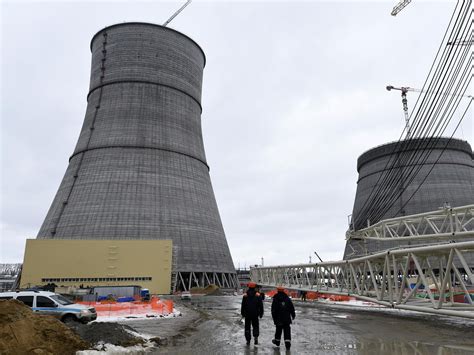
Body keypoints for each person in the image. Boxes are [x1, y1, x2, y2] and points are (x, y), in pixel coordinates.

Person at [271, 286, 295, 350]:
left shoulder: (275, 299)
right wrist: (293, 315)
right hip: (286, 318)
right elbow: (291, 308)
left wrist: (274, 318)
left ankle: (277, 342)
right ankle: (287, 344)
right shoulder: (287, 298)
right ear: (283, 290)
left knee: (278, 330)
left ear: (277, 290)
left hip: (278, 319)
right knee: (287, 331)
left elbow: (273, 310)